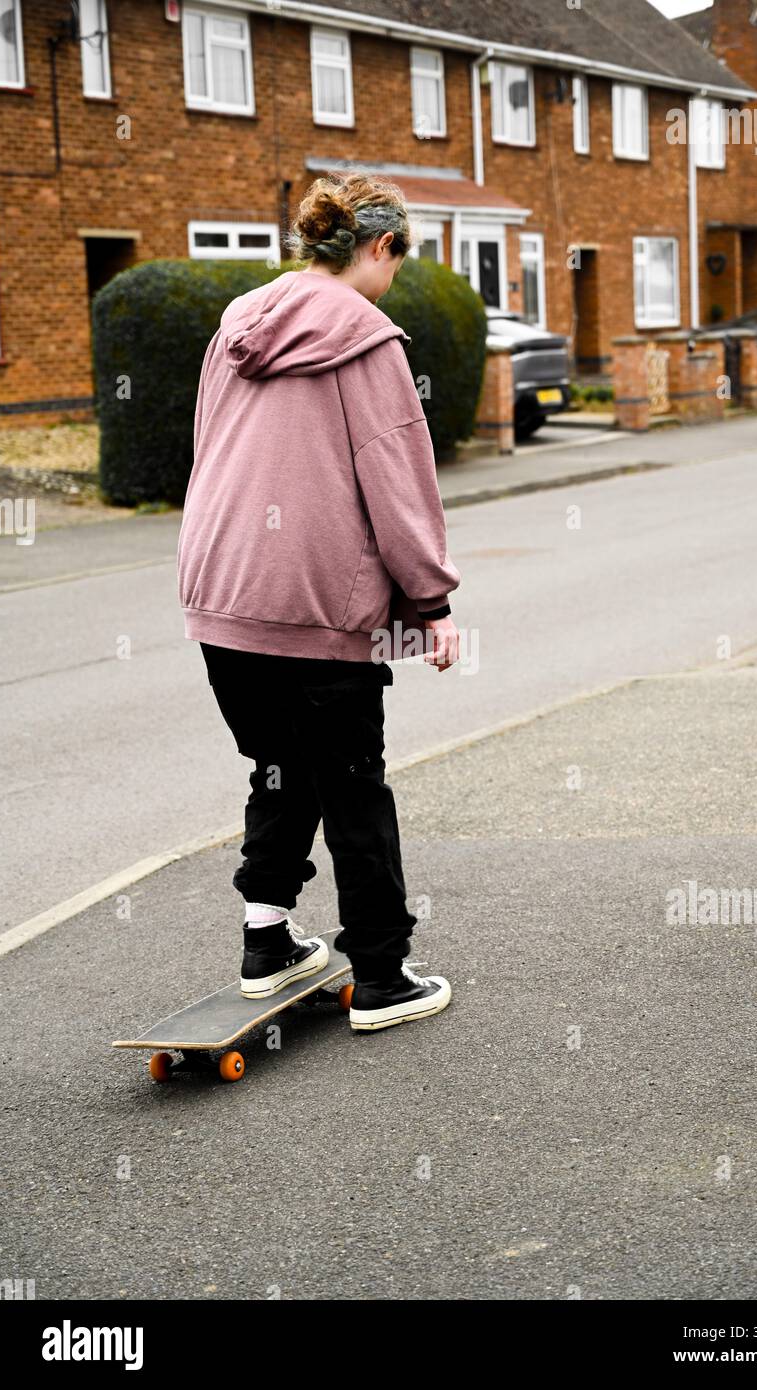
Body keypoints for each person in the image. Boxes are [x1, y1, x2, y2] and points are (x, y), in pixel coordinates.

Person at [177, 172, 461, 1032]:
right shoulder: (369, 338)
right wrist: (432, 601)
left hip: (220, 590)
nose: (395, 279)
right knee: (353, 788)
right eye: (399, 260)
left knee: (277, 767)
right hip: (315, 599)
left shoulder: (237, 323)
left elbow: (206, 447)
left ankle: (265, 943)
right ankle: (380, 975)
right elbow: (398, 477)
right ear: (380, 248)